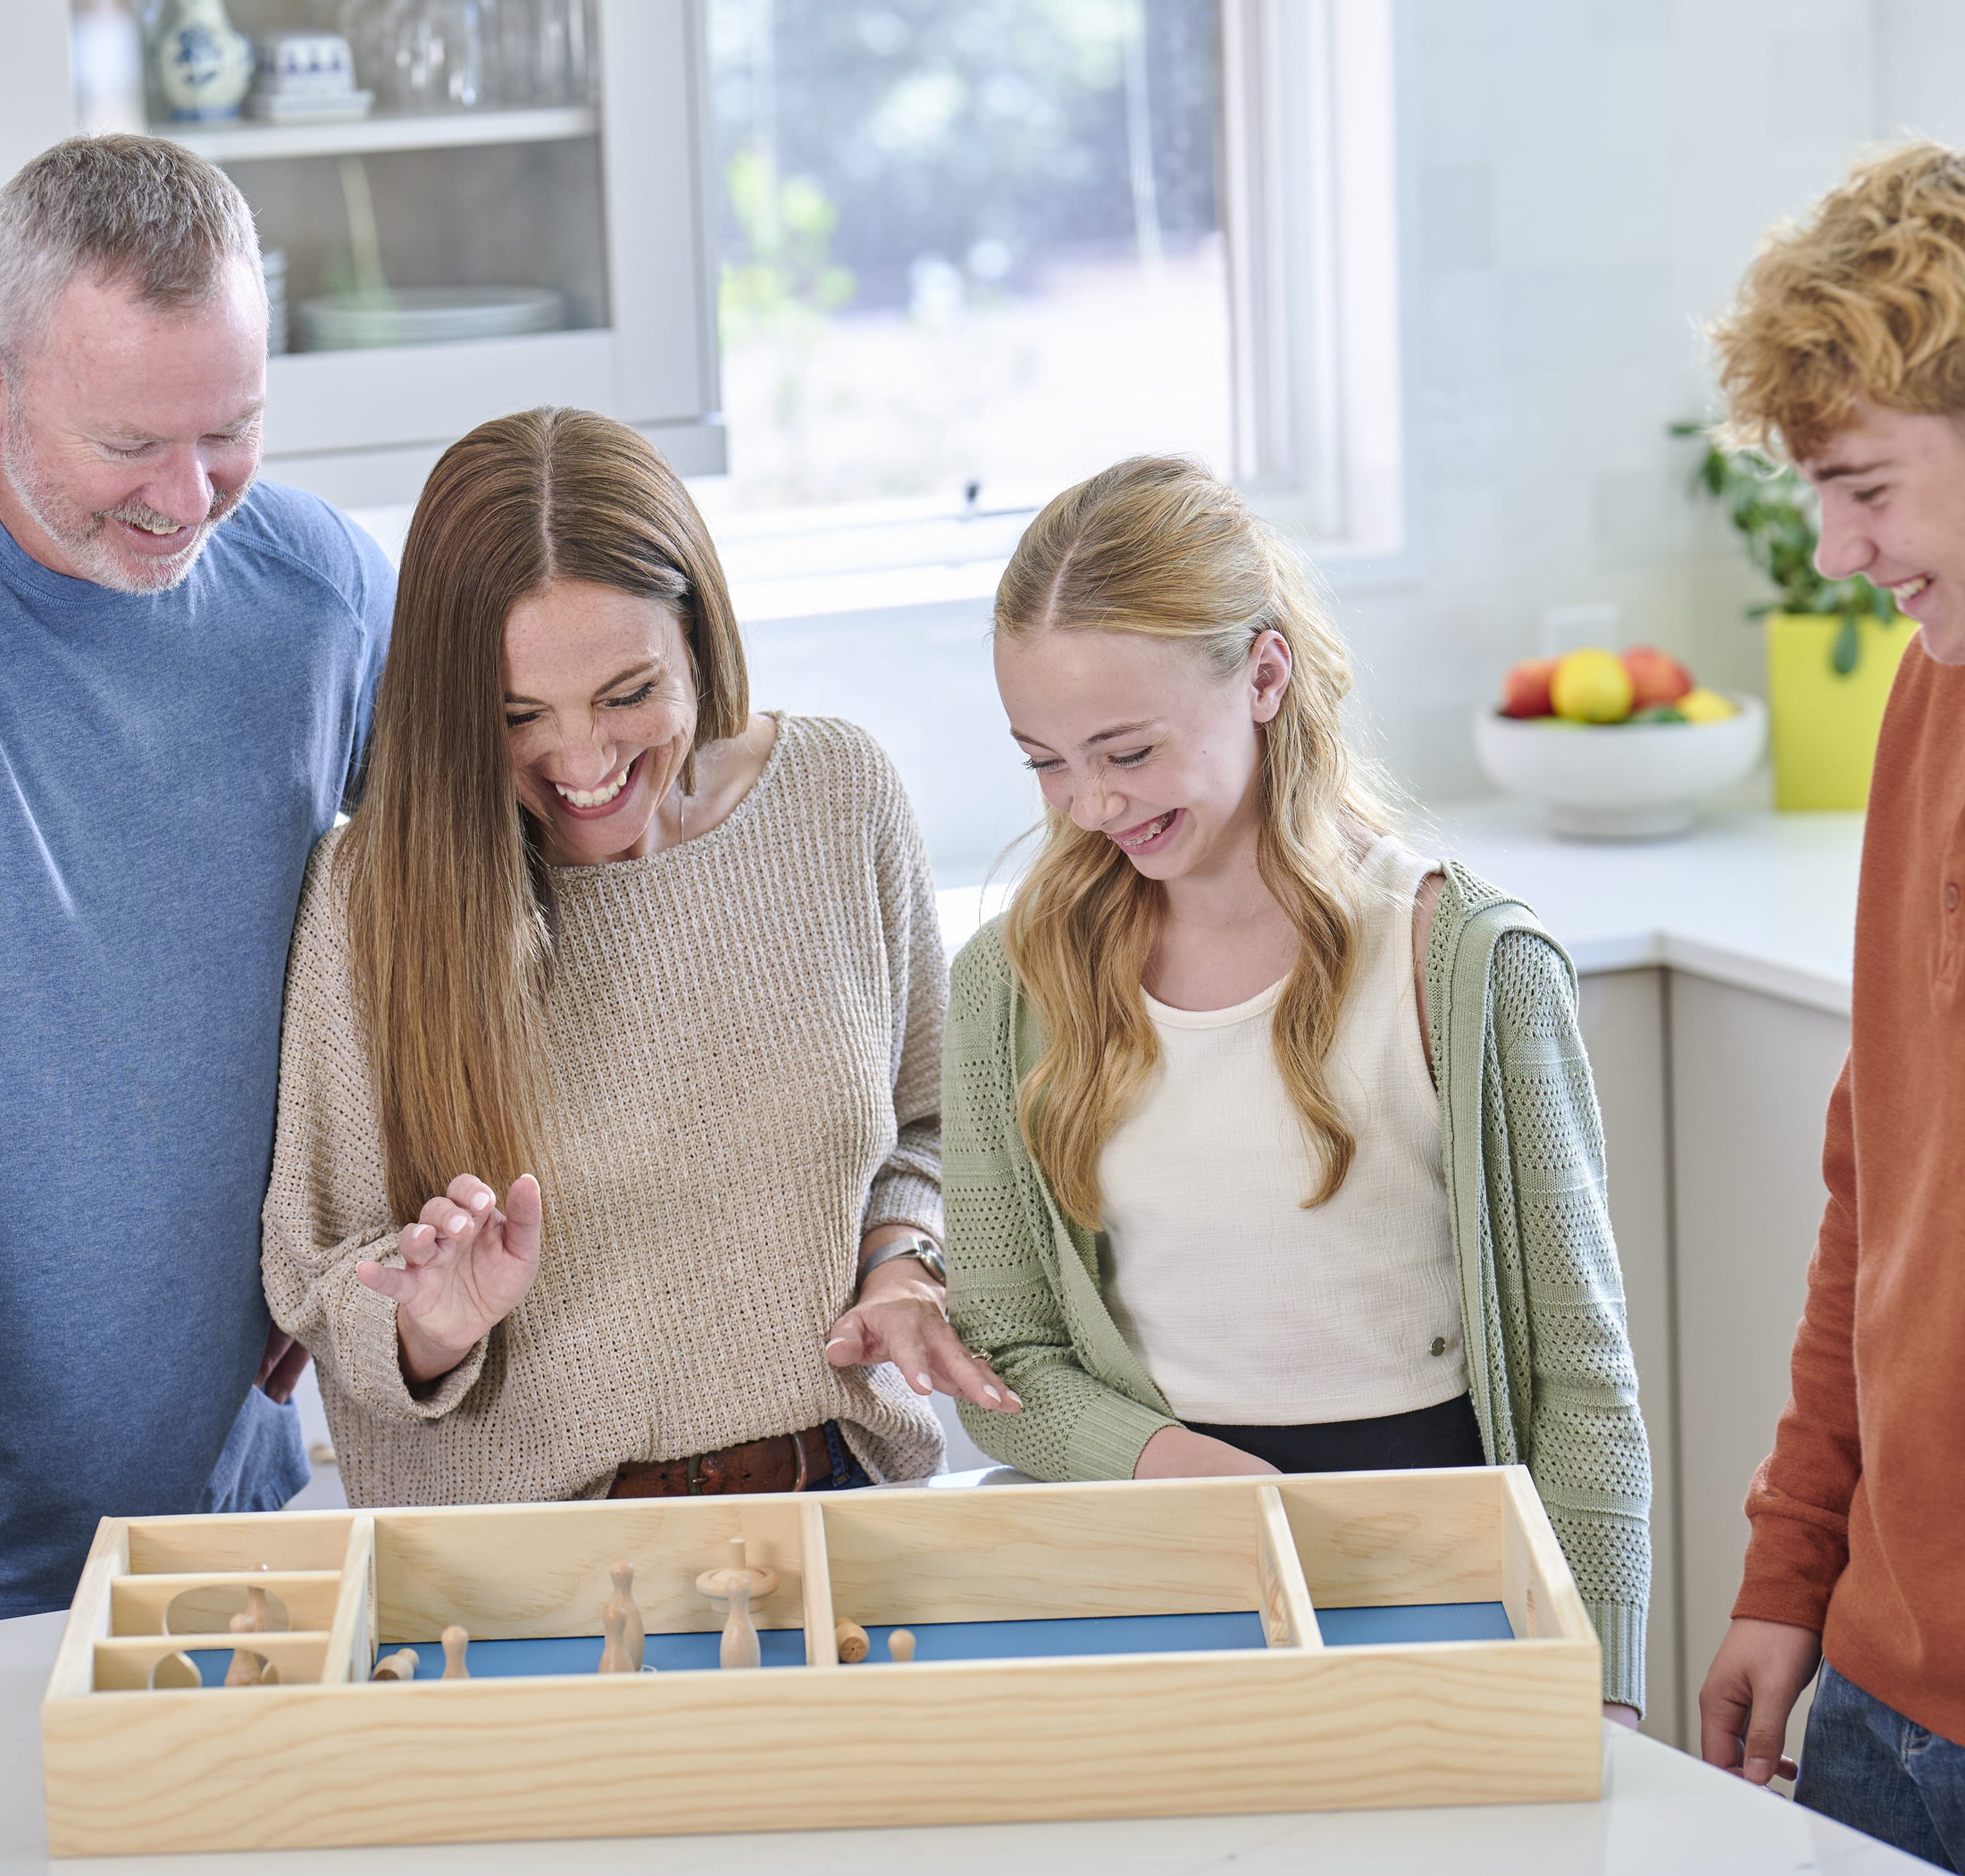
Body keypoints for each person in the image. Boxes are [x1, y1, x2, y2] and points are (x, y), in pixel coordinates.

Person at [943, 456, 1651, 1720]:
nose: (1091, 805)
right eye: (1044, 762)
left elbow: (1581, 1377)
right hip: (1158, 1566)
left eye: (1129, 750)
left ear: (1264, 676)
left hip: (1444, 1568)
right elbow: (1009, 1361)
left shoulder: (1464, 966)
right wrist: (1169, 1466)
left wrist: (1602, 1684)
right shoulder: (1011, 984)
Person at [263, 406, 1008, 1503]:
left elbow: (928, 1126)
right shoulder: (373, 897)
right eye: (517, 714)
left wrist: (904, 1258)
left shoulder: (839, 798)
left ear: (700, 635)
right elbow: (313, 1272)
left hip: (838, 1497)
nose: (582, 758)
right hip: (529, 1563)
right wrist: (431, 1319)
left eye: (627, 696)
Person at [0, 136, 391, 1614]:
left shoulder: (324, 601)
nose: (189, 495)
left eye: (231, 427)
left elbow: (463, 933)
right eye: (127, 445)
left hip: (230, 1535)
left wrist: (350, 1213)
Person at [1695, 142, 1965, 1871]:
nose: (1840, 549)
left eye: (1863, 485)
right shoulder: (1926, 711)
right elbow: (1877, 1187)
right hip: (1888, 1684)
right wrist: (1793, 1567)